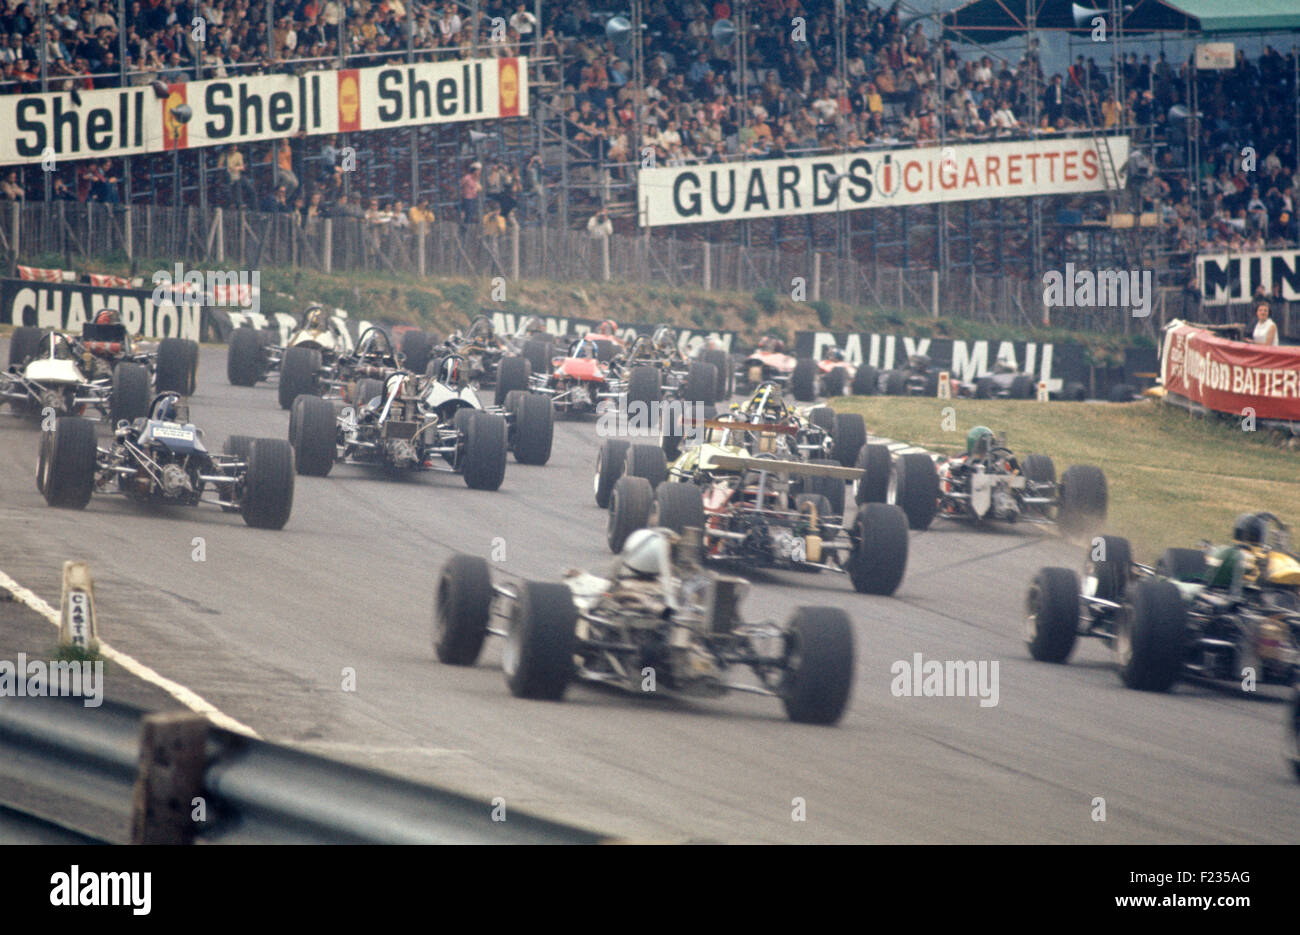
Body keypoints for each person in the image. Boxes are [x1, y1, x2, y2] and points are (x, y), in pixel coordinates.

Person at [459, 161, 481, 229]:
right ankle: (464, 226)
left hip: (473, 197)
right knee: (468, 212)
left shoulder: (476, 178)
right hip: (467, 198)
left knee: (471, 212)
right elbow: (460, 185)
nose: (479, 172)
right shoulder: (467, 178)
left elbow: (478, 188)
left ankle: (466, 226)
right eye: (478, 170)